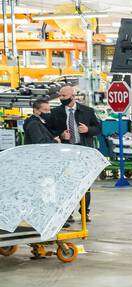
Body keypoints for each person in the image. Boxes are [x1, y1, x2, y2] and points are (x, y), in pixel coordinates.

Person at [46, 86, 101, 219]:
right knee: (65, 184)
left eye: (64, 96)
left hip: (83, 151)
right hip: (65, 152)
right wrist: (60, 135)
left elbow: (98, 129)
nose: (61, 98)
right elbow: (49, 130)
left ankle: (84, 212)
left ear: (73, 96)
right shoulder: (55, 112)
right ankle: (67, 212)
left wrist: (88, 129)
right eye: (60, 96)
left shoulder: (87, 111)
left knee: (85, 183)